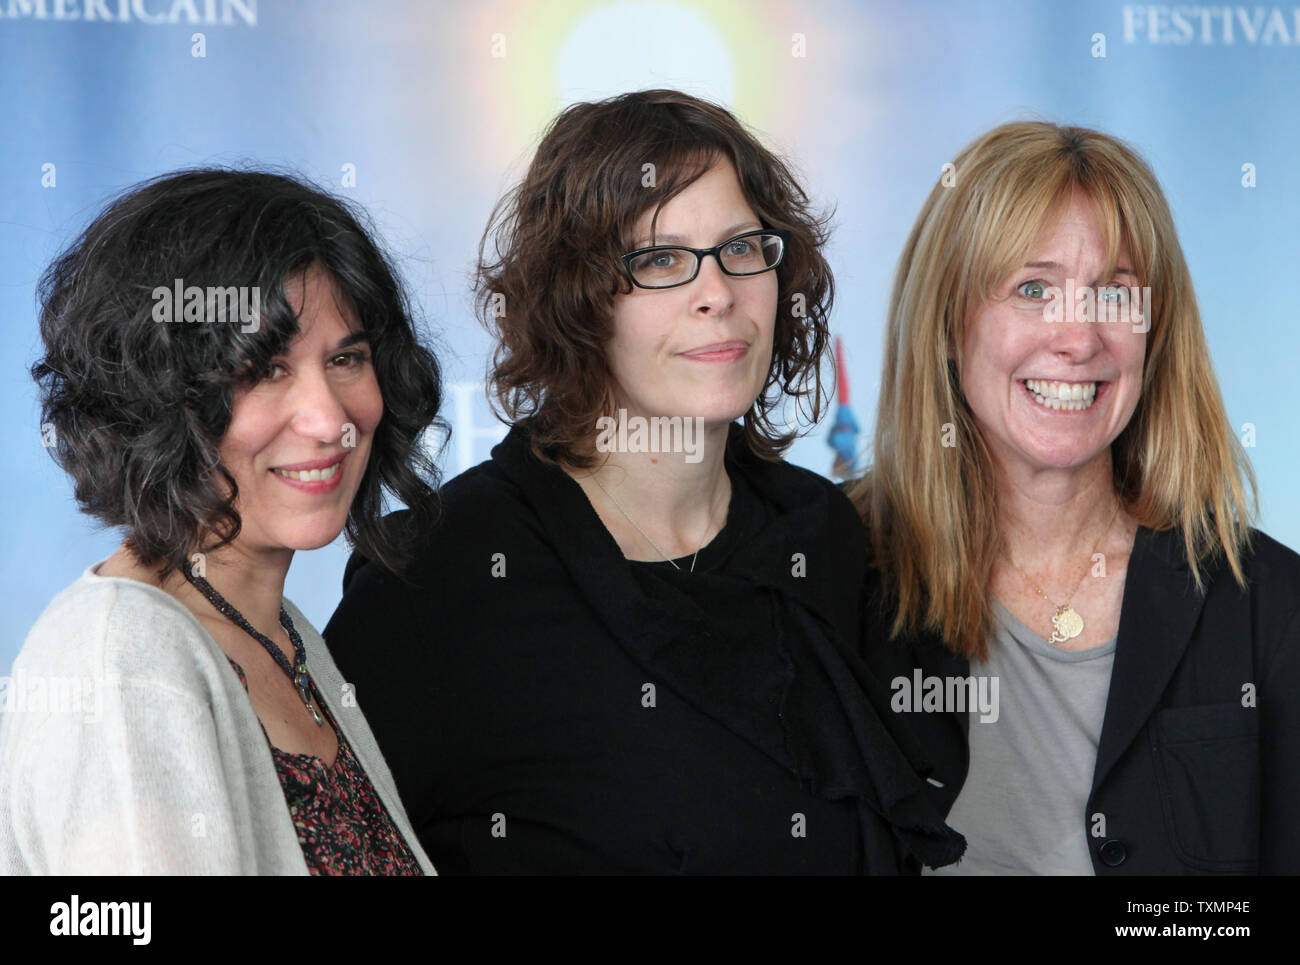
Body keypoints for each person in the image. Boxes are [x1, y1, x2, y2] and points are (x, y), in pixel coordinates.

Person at [325, 89, 964, 874]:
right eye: (660, 260)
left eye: (742, 248)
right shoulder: (438, 574)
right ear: (577, 301)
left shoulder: (825, 535)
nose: (717, 292)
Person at [848, 121, 1300, 874]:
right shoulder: (834, 580)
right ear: (948, 326)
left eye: (1115, 293)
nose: (1079, 336)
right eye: (1032, 288)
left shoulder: (1269, 605)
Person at [0, 169, 444, 874]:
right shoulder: (120, 654)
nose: (330, 418)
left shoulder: (287, 639)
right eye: (266, 368)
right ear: (158, 396)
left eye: (347, 358)